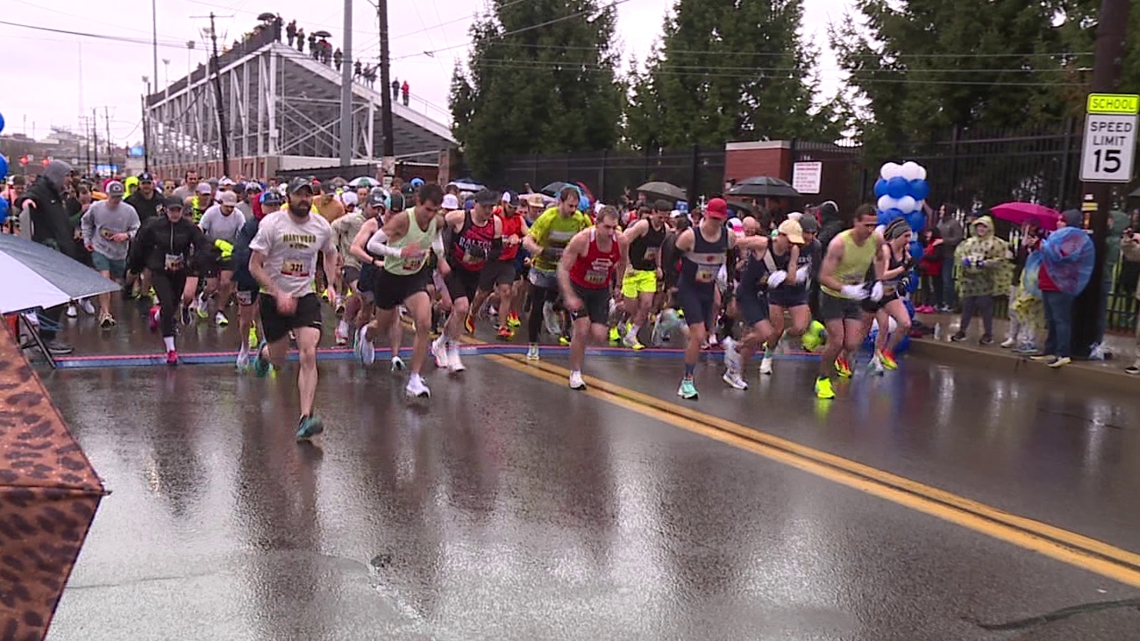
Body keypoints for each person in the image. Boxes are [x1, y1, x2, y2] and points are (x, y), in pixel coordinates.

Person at [248, 177, 338, 441]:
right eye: (299, 195)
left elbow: (330, 253)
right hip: (272, 296)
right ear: (289, 198)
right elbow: (254, 266)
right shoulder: (272, 224)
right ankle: (264, 355)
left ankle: (305, 417)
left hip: (304, 295)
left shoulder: (321, 226)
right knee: (279, 359)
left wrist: (331, 284)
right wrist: (278, 293)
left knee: (308, 353)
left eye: (308, 195)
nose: (304, 200)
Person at [673, 197, 768, 400]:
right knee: (698, 336)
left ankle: (674, 322)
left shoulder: (729, 237)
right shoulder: (690, 237)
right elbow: (671, 256)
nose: (714, 223)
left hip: (708, 288)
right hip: (689, 287)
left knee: (705, 334)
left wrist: (730, 285)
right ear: (705, 214)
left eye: (719, 219)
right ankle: (687, 381)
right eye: (712, 218)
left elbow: (733, 258)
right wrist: (671, 284)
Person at [359, 183, 448, 398]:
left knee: (424, 322)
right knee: (382, 325)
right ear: (418, 202)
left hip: (414, 278)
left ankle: (415, 379)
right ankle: (366, 335)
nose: (431, 215)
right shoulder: (402, 220)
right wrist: (400, 253)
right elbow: (372, 245)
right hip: (390, 278)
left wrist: (440, 256)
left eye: (436, 210)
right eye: (428, 209)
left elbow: (436, 239)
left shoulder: (436, 221)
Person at [814, 204, 882, 400]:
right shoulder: (839, 243)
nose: (870, 230)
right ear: (856, 222)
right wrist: (845, 289)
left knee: (851, 343)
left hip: (854, 295)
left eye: (874, 225)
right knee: (837, 341)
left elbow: (881, 257)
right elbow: (823, 276)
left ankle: (823, 335)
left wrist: (878, 280)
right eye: (866, 225)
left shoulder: (876, 239)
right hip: (832, 294)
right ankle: (823, 380)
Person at [432, 188, 503, 371]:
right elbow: (434, 227)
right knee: (461, 307)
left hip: (474, 272)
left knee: (460, 312)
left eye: (492, 207)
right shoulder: (459, 217)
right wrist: (439, 254)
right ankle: (454, 350)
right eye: (485, 207)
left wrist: (483, 253)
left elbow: (497, 251)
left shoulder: (495, 223)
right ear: (476, 204)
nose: (488, 211)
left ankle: (440, 343)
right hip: (454, 268)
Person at [129, 197, 206, 365]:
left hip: (179, 270)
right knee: (169, 306)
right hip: (159, 270)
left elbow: (202, 245)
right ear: (165, 210)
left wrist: (193, 262)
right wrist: (136, 266)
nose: (175, 214)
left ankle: (156, 315)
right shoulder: (153, 226)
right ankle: (171, 349)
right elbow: (139, 245)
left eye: (178, 210)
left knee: (171, 304)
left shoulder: (189, 228)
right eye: (172, 210)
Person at [558, 206, 628, 390]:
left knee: (599, 335)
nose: (610, 232)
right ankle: (575, 372)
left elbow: (622, 263)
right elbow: (563, 268)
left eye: (614, 227)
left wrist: (619, 285)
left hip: (600, 289)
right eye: (606, 227)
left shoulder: (621, 241)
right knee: (582, 329)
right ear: (596, 224)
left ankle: (605, 312)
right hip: (578, 287)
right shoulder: (581, 240)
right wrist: (569, 296)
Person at [522, 187, 593, 360]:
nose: (573, 210)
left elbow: (592, 235)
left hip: (564, 267)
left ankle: (565, 329)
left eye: (575, 206)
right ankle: (533, 344)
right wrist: (542, 251)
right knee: (536, 307)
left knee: (574, 301)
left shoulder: (580, 218)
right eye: (570, 206)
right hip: (542, 267)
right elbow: (527, 241)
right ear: (559, 203)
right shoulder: (548, 217)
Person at [17, 160, 78, 355]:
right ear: (57, 175)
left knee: (58, 297)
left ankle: (47, 336)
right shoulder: (42, 189)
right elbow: (27, 196)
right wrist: (26, 202)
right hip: (49, 251)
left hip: (61, 250)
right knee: (54, 297)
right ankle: (47, 338)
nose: (69, 180)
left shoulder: (57, 194)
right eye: (66, 176)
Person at [720, 219, 780, 390]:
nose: (751, 232)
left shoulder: (793, 251)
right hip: (746, 292)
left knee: (754, 338)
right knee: (764, 333)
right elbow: (734, 244)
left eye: (754, 229)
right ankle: (734, 348)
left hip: (762, 293)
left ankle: (735, 371)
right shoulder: (761, 244)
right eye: (748, 229)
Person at [80, 180, 140, 328]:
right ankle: (106, 313)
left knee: (111, 282)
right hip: (100, 247)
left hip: (119, 252)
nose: (116, 200)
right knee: (104, 278)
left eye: (119, 197)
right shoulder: (96, 208)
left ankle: (104, 308)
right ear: (107, 195)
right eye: (113, 197)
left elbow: (137, 228)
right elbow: (86, 222)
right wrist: (87, 239)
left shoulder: (129, 211)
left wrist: (126, 235)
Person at [759, 217, 814, 375]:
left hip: (798, 292)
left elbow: (816, 265)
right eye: (806, 233)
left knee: (800, 327)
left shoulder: (815, 247)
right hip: (779, 289)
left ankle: (784, 336)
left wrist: (807, 272)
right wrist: (783, 274)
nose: (809, 237)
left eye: (813, 233)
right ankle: (768, 356)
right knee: (776, 328)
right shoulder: (787, 245)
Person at [949, 216, 1012, 346]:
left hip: (986, 282)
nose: (981, 229)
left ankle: (988, 334)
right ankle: (962, 331)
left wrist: (985, 263)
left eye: (984, 226)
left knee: (986, 309)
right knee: (966, 308)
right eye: (979, 226)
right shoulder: (969, 242)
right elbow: (959, 254)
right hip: (969, 282)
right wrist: (964, 260)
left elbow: (1000, 259)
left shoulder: (995, 243)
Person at [865, 218, 914, 373]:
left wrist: (905, 279)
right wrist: (901, 270)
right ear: (897, 235)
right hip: (877, 293)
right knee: (883, 326)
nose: (908, 240)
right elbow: (883, 274)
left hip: (891, 294)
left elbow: (907, 271)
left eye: (909, 236)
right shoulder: (886, 250)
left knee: (905, 323)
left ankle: (887, 352)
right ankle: (875, 357)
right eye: (905, 236)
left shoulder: (906, 253)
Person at [619, 199, 668, 350]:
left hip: (648, 271)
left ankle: (632, 335)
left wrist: (659, 266)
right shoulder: (642, 225)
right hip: (633, 270)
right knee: (631, 307)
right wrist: (627, 264)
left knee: (646, 304)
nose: (662, 220)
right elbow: (624, 241)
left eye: (666, 217)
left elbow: (658, 248)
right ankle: (615, 310)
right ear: (653, 213)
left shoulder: (665, 229)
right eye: (660, 217)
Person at [196, 190, 246, 327]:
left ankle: (220, 311)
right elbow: (201, 229)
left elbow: (243, 233)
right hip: (212, 249)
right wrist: (205, 244)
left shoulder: (238, 215)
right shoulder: (212, 213)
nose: (229, 209)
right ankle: (204, 297)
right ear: (220, 203)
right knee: (212, 285)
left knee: (226, 283)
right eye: (227, 206)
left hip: (229, 249)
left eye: (232, 206)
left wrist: (238, 248)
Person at [936, 205, 964, 312]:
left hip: (948, 255)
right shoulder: (940, 222)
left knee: (947, 280)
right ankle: (940, 302)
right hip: (938, 255)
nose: (940, 211)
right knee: (938, 280)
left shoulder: (954, 223)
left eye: (942, 209)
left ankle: (951, 303)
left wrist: (944, 241)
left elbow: (958, 238)